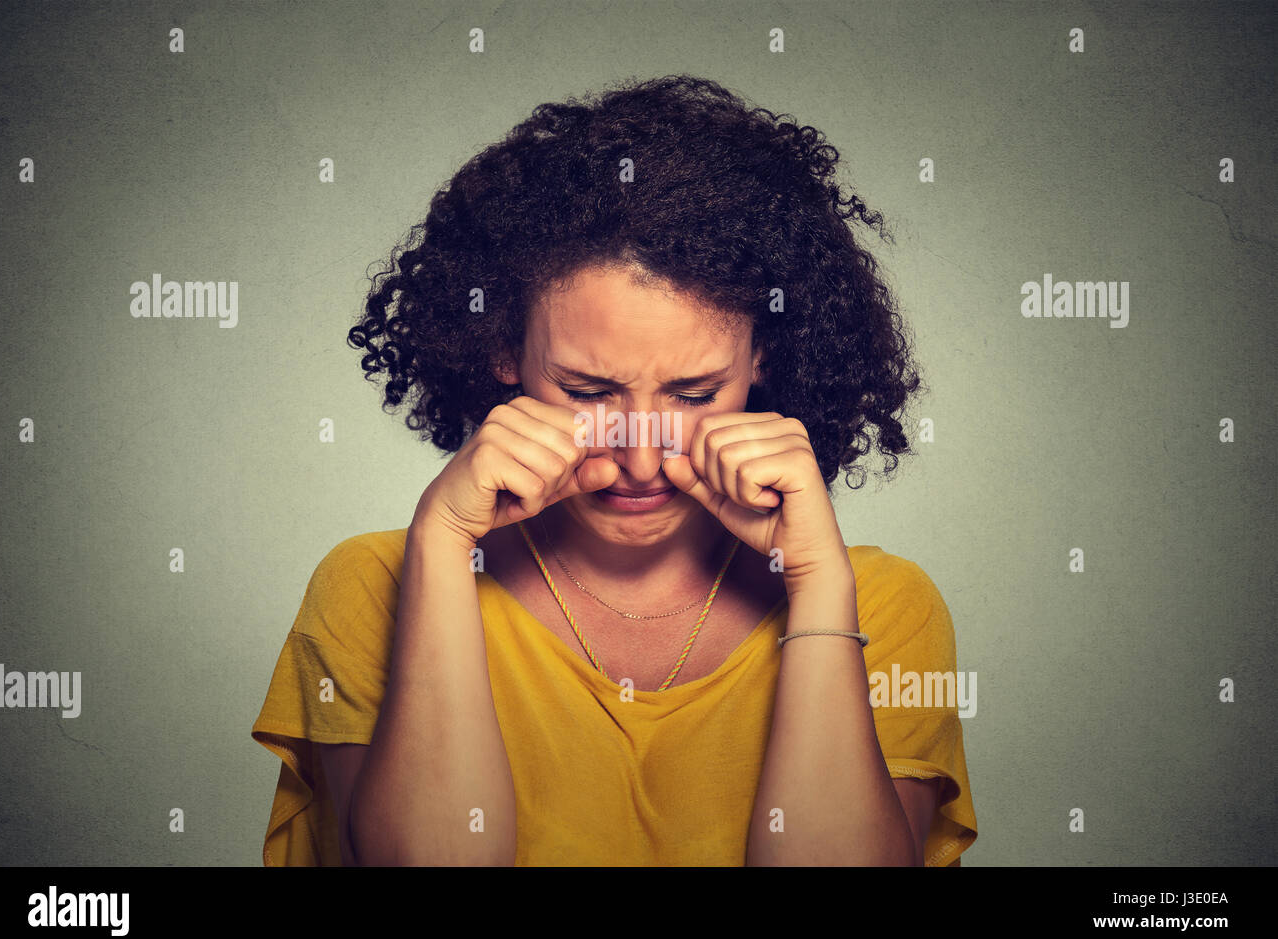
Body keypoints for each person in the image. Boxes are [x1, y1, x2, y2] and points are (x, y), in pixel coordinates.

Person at [251, 74, 978, 866]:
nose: (639, 457)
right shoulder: (376, 585)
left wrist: (816, 585)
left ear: (764, 359)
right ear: (503, 351)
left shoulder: (883, 605)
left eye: (694, 393)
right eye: (589, 391)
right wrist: (441, 543)